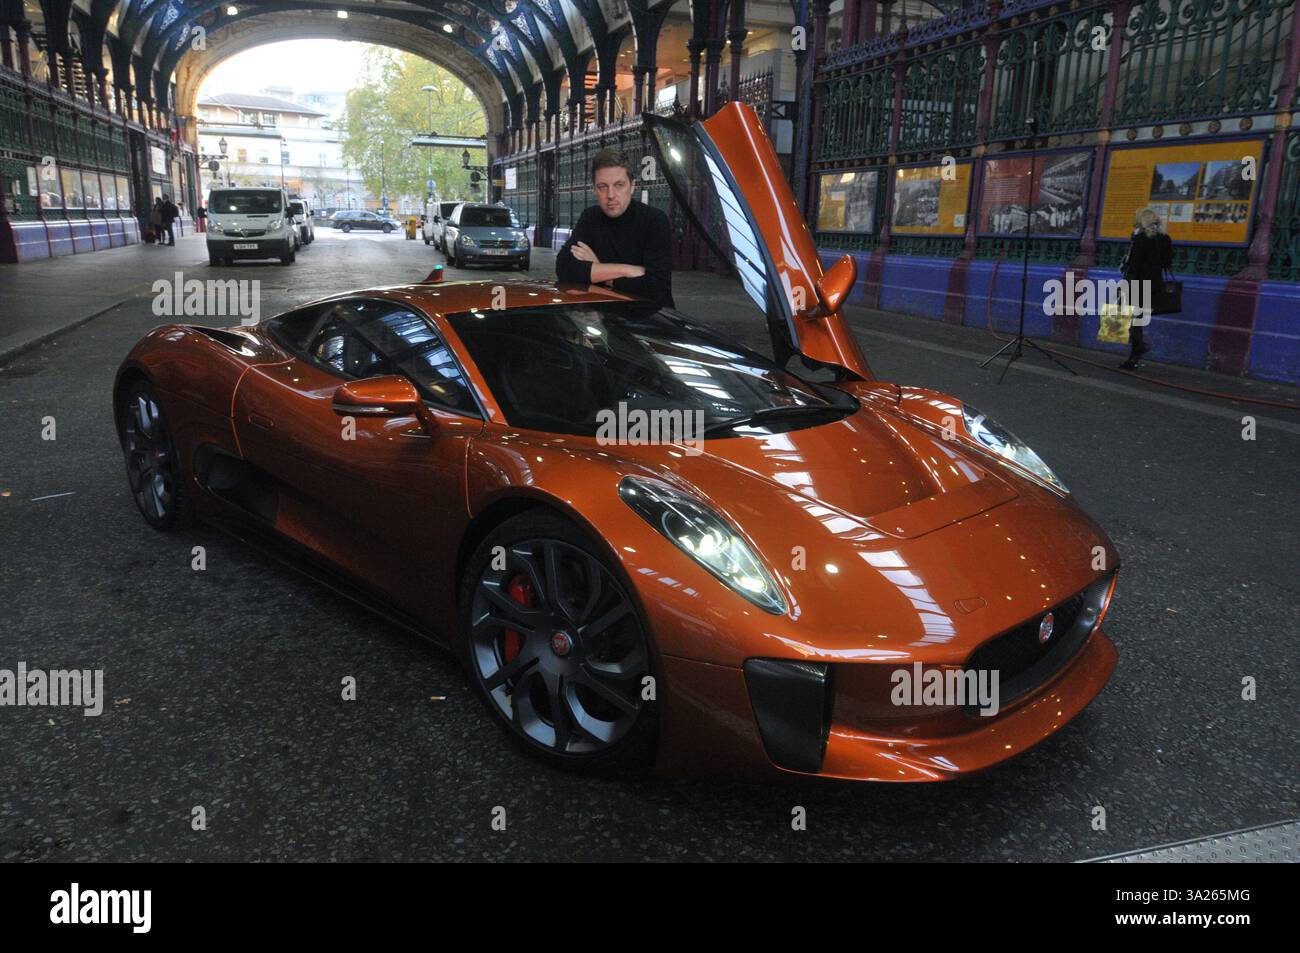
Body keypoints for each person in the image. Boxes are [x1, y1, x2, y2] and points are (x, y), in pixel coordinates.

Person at [556, 149, 674, 309]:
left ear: (632, 186)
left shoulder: (654, 220)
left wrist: (599, 271)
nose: (610, 194)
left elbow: (656, 286)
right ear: (595, 189)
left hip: (653, 321)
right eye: (602, 186)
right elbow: (564, 268)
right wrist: (627, 270)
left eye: (619, 185)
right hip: (609, 322)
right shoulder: (590, 218)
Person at [1120, 207, 1173, 369]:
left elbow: (1133, 263)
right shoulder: (1165, 238)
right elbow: (1167, 262)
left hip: (1136, 282)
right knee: (1137, 319)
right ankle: (1135, 354)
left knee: (1125, 316)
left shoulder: (1140, 238)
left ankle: (1138, 348)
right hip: (1153, 284)